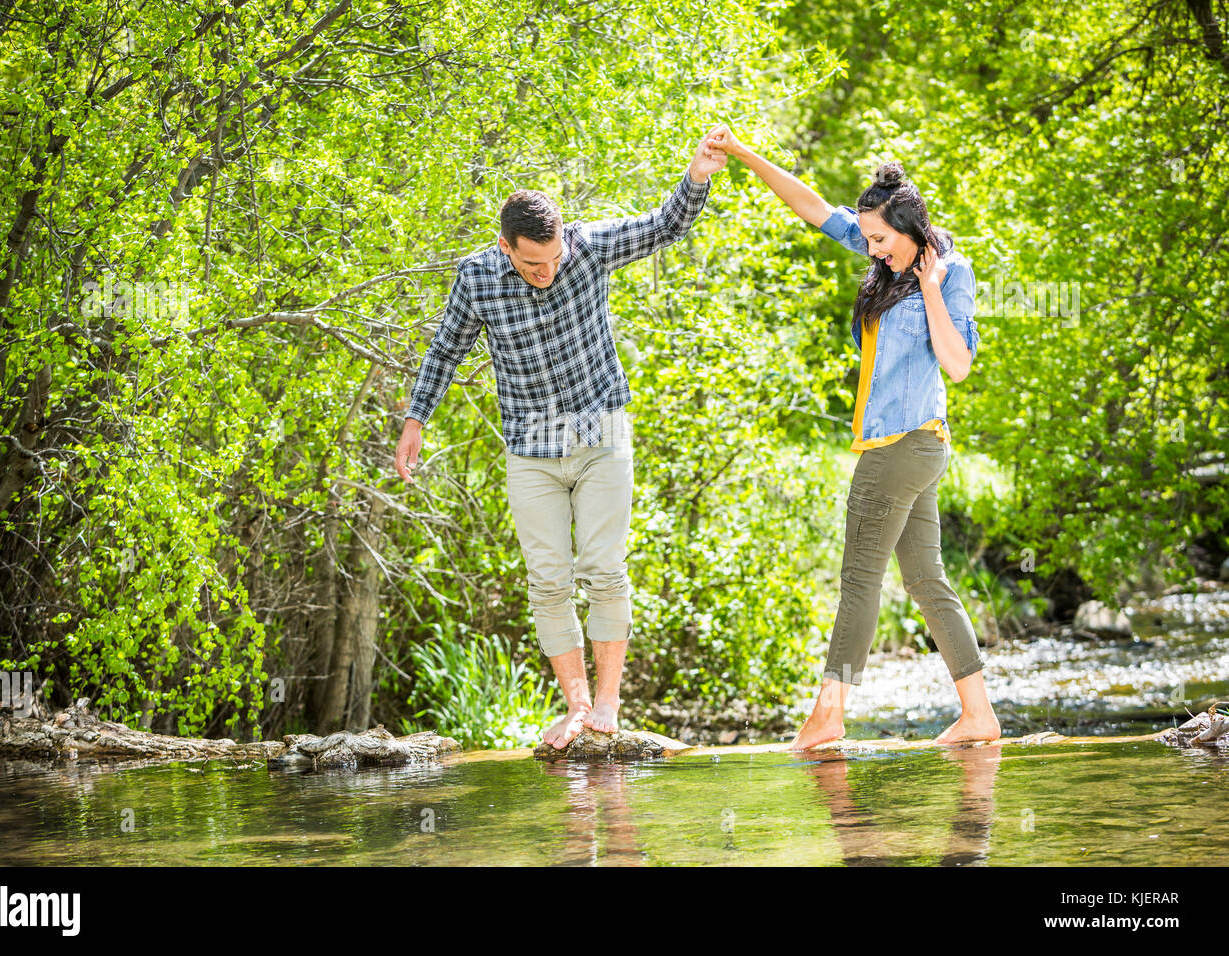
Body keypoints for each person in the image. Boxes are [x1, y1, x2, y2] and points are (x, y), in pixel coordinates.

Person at [395, 127, 729, 749]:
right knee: (547, 581)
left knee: (603, 569)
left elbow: (663, 225)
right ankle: (575, 705)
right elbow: (446, 348)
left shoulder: (589, 247)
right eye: (531, 263)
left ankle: (607, 703)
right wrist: (416, 420)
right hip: (530, 447)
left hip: (601, 428)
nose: (545, 271)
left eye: (552, 261)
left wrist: (699, 175)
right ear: (505, 248)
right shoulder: (477, 278)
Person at [706, 124, 1002, 750]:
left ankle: (828, 716)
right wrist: (740, 153)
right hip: (911, 448)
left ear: (912, 231)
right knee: (925, 580)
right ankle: (978, 714)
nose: (871, 248)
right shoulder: (881, 259)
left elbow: (958, 363)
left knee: (858, 581)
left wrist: (927, 286)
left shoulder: (952, 273)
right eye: (866, 237)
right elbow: (811, 206)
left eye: (880, 239)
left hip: (903, 449)